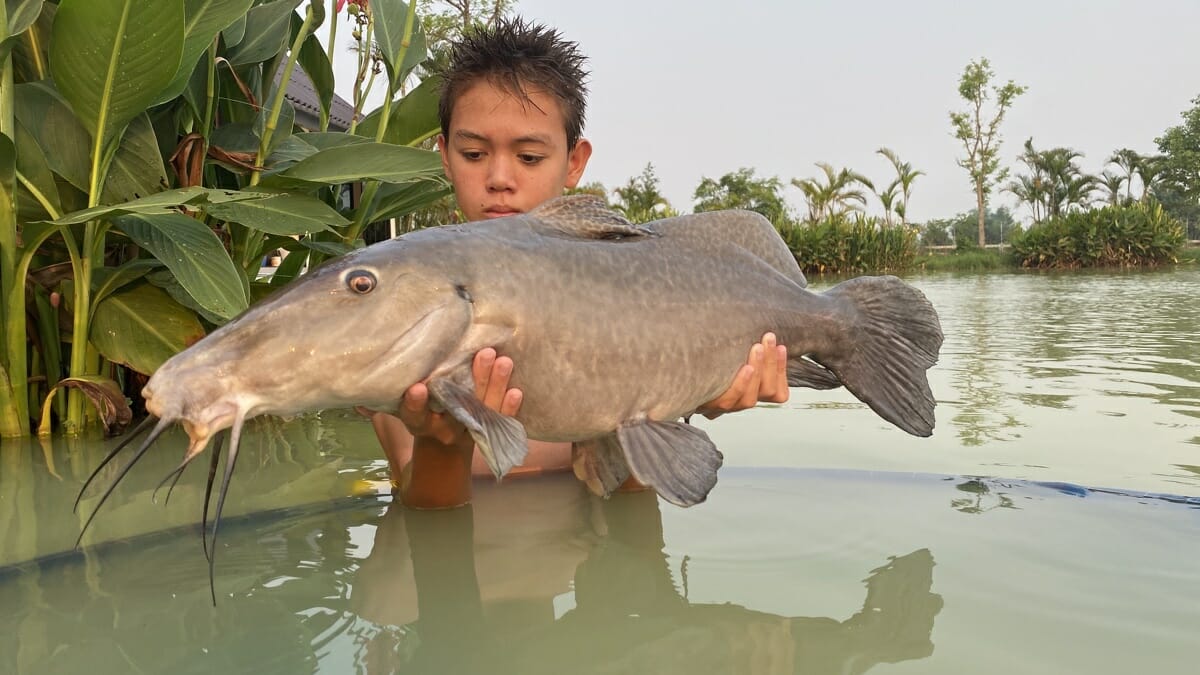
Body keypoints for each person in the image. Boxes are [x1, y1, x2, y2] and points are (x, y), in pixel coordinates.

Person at [360, 18, 789, 509]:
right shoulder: (403, 317)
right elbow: (429, 528)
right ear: (444, 154)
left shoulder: (628, 300)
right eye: (474, 153)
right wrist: (443, 439)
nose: (500, 178)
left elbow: (629, 513)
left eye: (529, 157)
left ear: (574, 162)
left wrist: (684, 398)